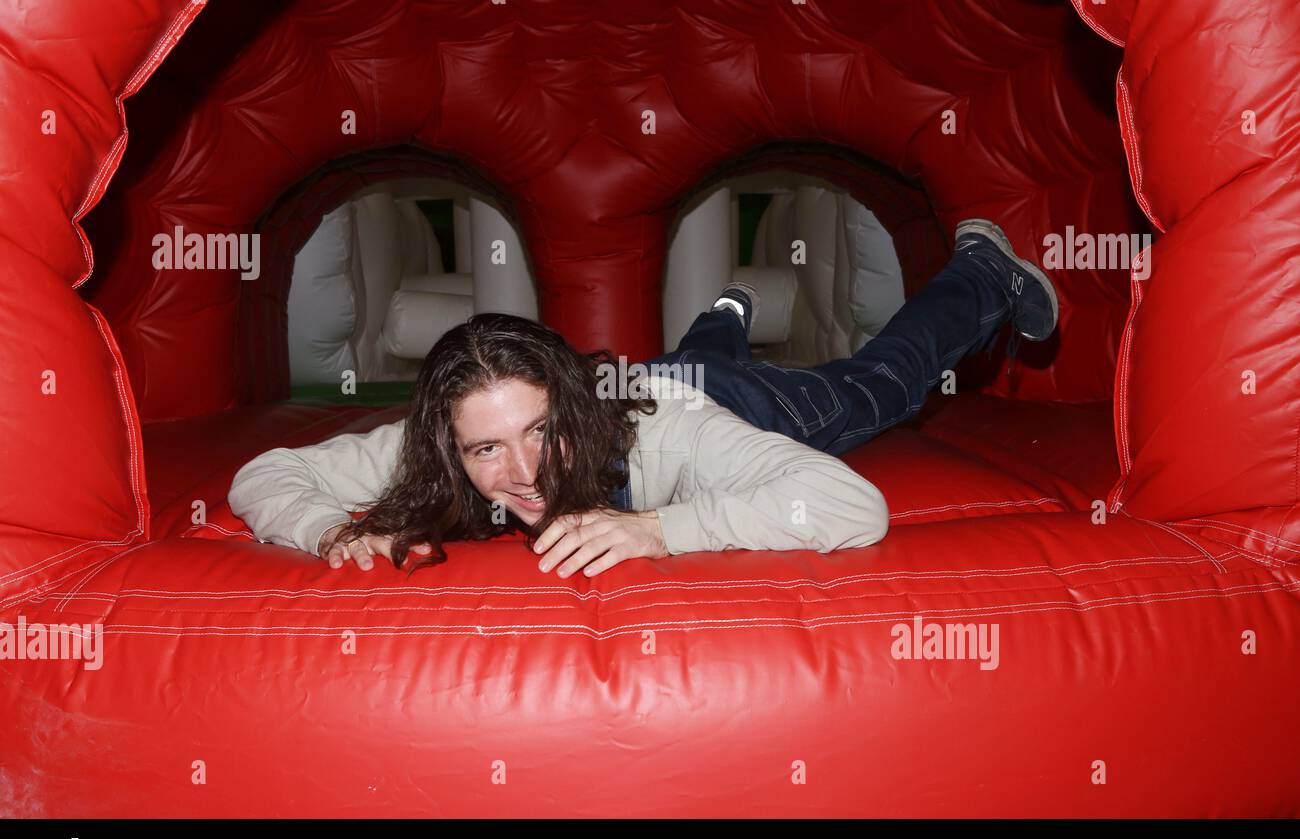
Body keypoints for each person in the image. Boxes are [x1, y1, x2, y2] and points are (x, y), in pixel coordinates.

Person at [229, 218, 1057, 578]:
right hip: (651, 377)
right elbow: (262, 476)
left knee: (883, 384)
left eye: (540, 432)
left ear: (573, 410)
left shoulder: (672, 441)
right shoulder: (442, 437)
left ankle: (980, 272)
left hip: (730, 401)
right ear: (454, 444)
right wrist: (332, 530)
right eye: (486, 449)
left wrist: (658, 527)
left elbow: (851, 507)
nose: (522, 474)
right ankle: (722, 318)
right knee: (685, 357)